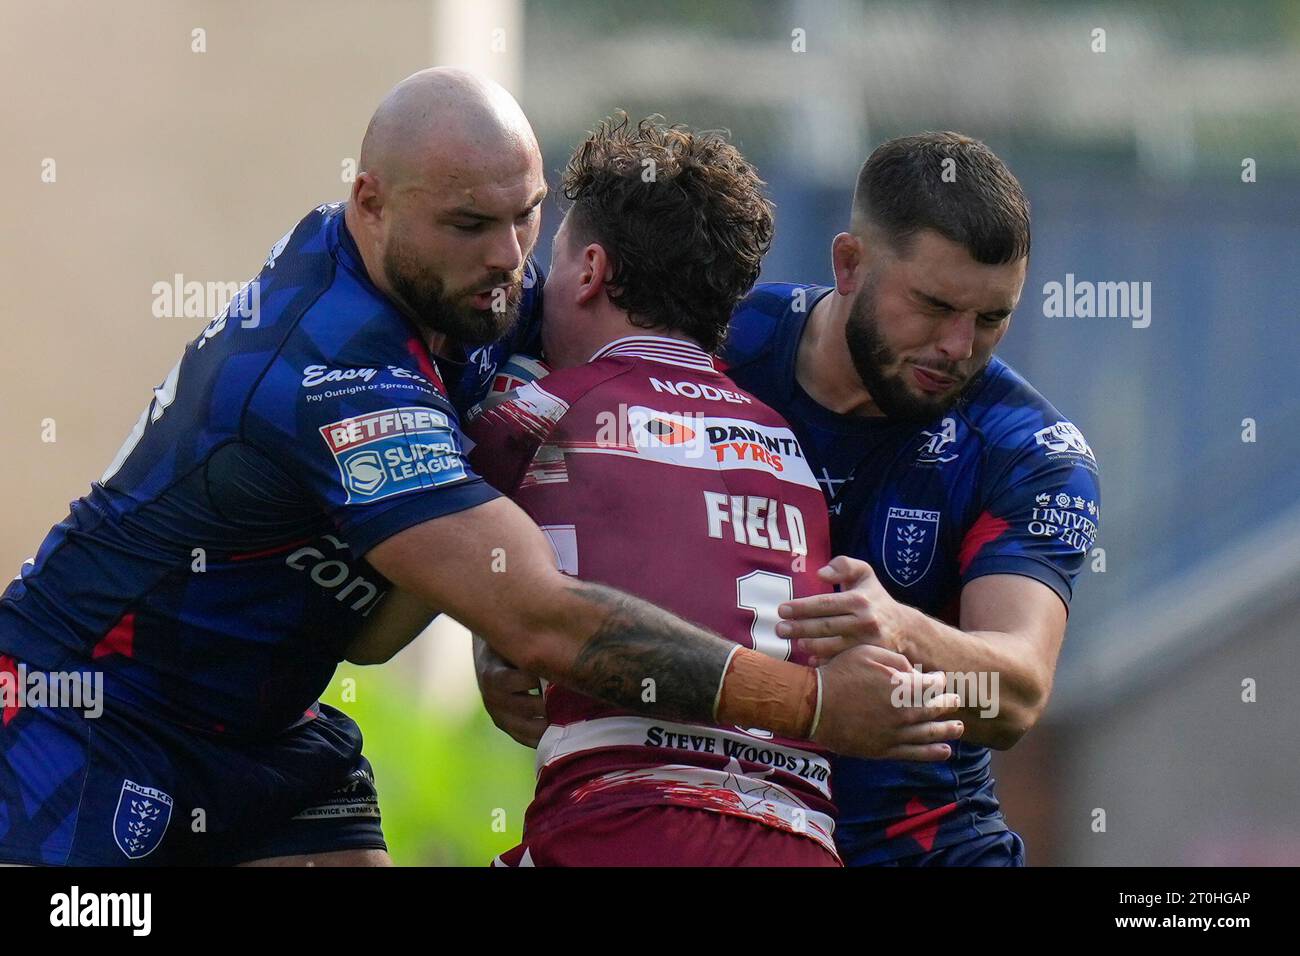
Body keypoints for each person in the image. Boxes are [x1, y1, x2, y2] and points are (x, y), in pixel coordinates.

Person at [0, 70, 959, 867]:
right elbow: (538, 612)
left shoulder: (470, 285)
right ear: (370, 203)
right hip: (87, 714)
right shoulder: (334, 366)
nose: (508, 262)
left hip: (267, 730)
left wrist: (932, 345)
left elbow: (671, 319)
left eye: (528, 218)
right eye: (470, 226)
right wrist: (815, 703)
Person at [476, 131, 1101, 867]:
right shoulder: (719, 345)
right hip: (718, 824)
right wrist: (500, 634)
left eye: (993, 319)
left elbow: (1017, 694)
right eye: (933, 306)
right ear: (848, 264)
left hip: (930, 850)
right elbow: (544, 452)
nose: (958, 346)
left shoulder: (1027, 449)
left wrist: (904, 629)